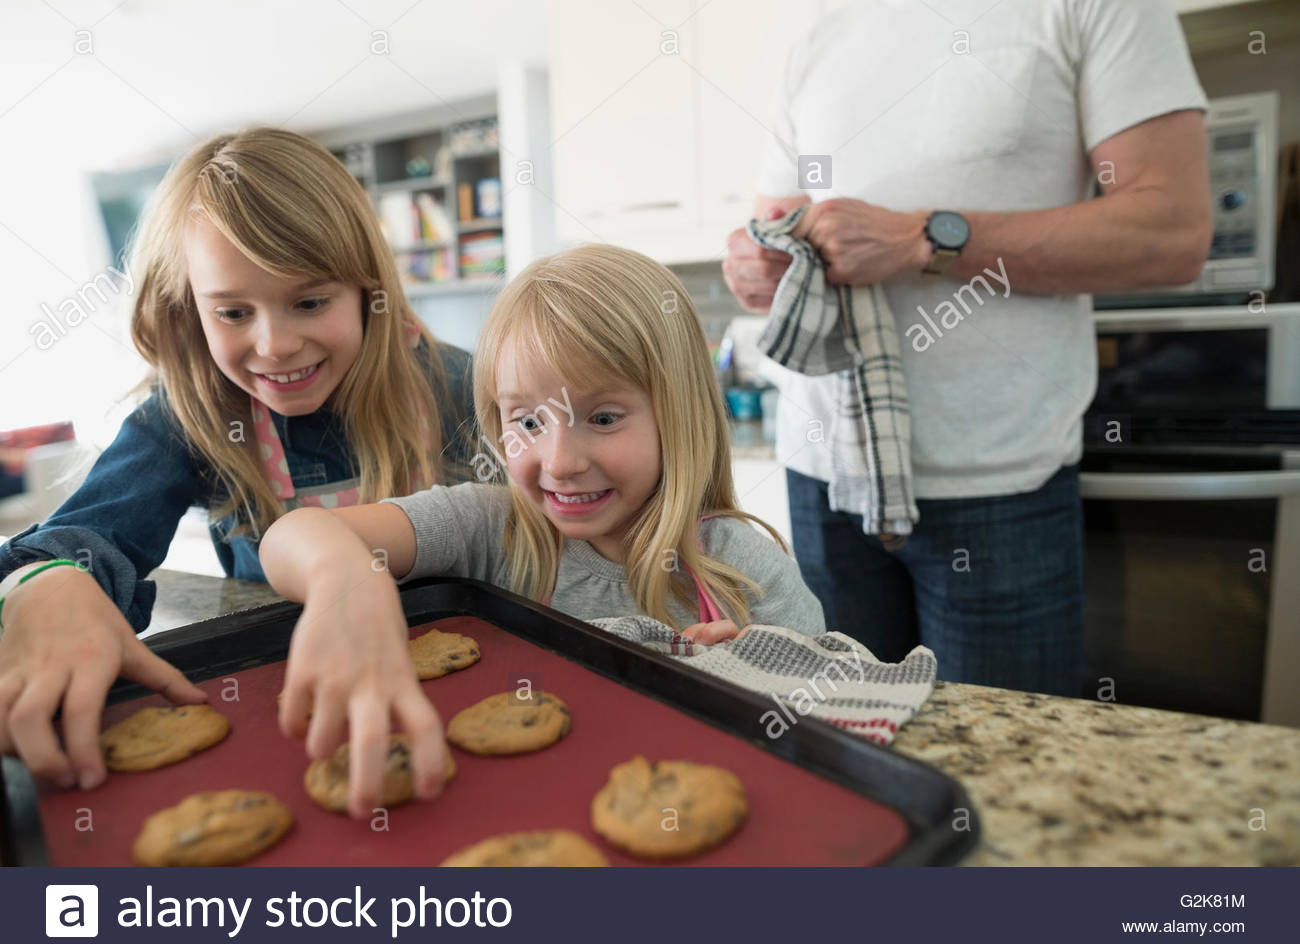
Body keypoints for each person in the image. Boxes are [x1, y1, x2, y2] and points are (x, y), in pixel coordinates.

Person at [722, 0, 1212, 695]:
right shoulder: (820, 36)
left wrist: (925, 238)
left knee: (1001, 779)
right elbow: (769, 224)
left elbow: (1174, 231)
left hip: (1000, 490)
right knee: (847, 761)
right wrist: (752, 265)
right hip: (820, 477)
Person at [0, 128, 474, 814]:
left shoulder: (450, 383)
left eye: (311, 301)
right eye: (233, 312)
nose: (275, 345)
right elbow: (79, 542)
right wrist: (51, 584)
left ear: (369, 290)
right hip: (293, 714)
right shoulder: (188, 419)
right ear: (186, 307)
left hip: (467, 681)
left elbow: (555, 511)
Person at [259, 245, 826, 798]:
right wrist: (342, 577)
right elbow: (290, 537)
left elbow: (836, 725)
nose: (559, 461)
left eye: (603, 417)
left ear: (680, 416)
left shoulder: (745, 574)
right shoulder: (486, 527)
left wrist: (756, 682)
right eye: (528, 421)